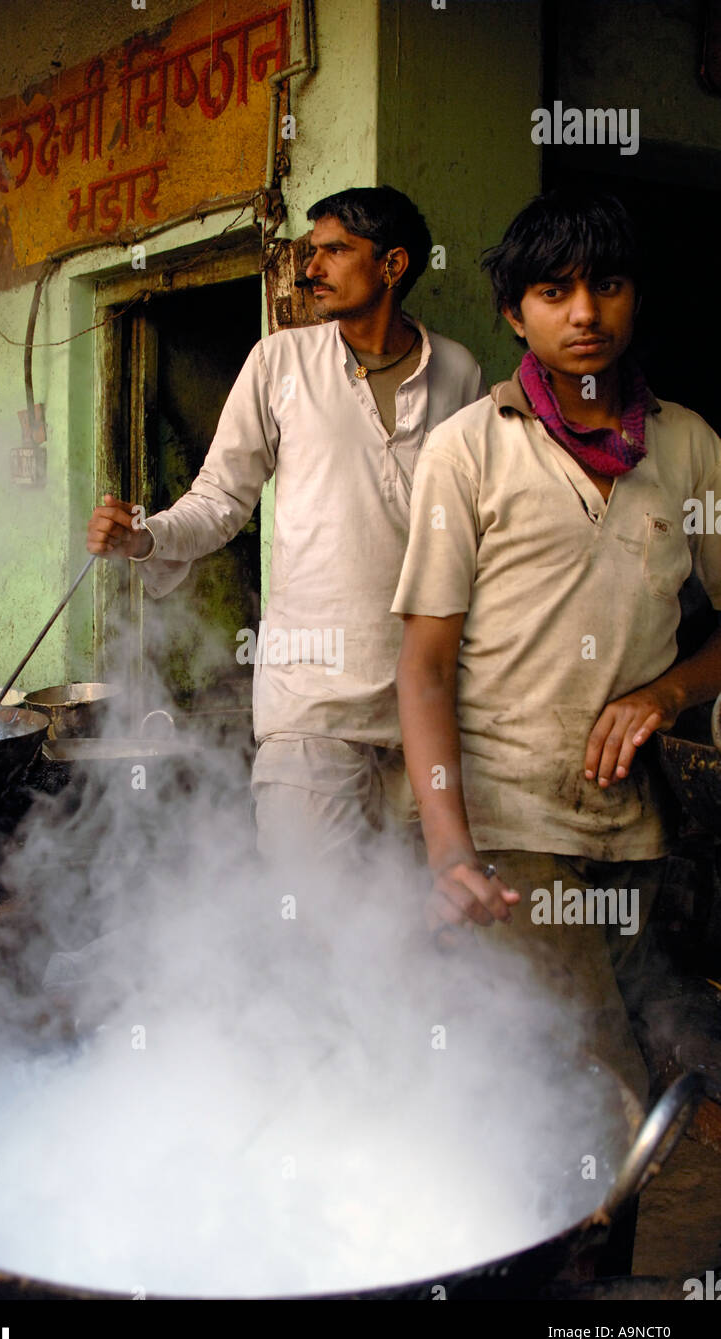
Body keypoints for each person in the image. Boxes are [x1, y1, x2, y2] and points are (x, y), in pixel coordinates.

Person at [392, 189, 721, 1100]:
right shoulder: (468, 451)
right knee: (593, 1088)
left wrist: (668, 694)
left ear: (635, 297)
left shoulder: (688, 447)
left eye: (607, 285)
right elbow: (422, 667)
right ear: (513, 312)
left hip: (638, 831)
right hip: (509, 830)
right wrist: (449, 851)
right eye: (553, 291)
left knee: (608, 1096)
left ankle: (580, 1247)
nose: (584, 313)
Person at [87, 185, 484, 862]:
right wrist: (145, 536)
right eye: (310, 252)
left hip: (433, 700)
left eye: (334, 251)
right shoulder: (279, 363)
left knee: (417, 928)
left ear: (392, 265)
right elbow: (218, 499)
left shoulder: (456, 372)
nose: (312, 268)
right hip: (309, 701)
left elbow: (475, 530)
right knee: (312, 914)